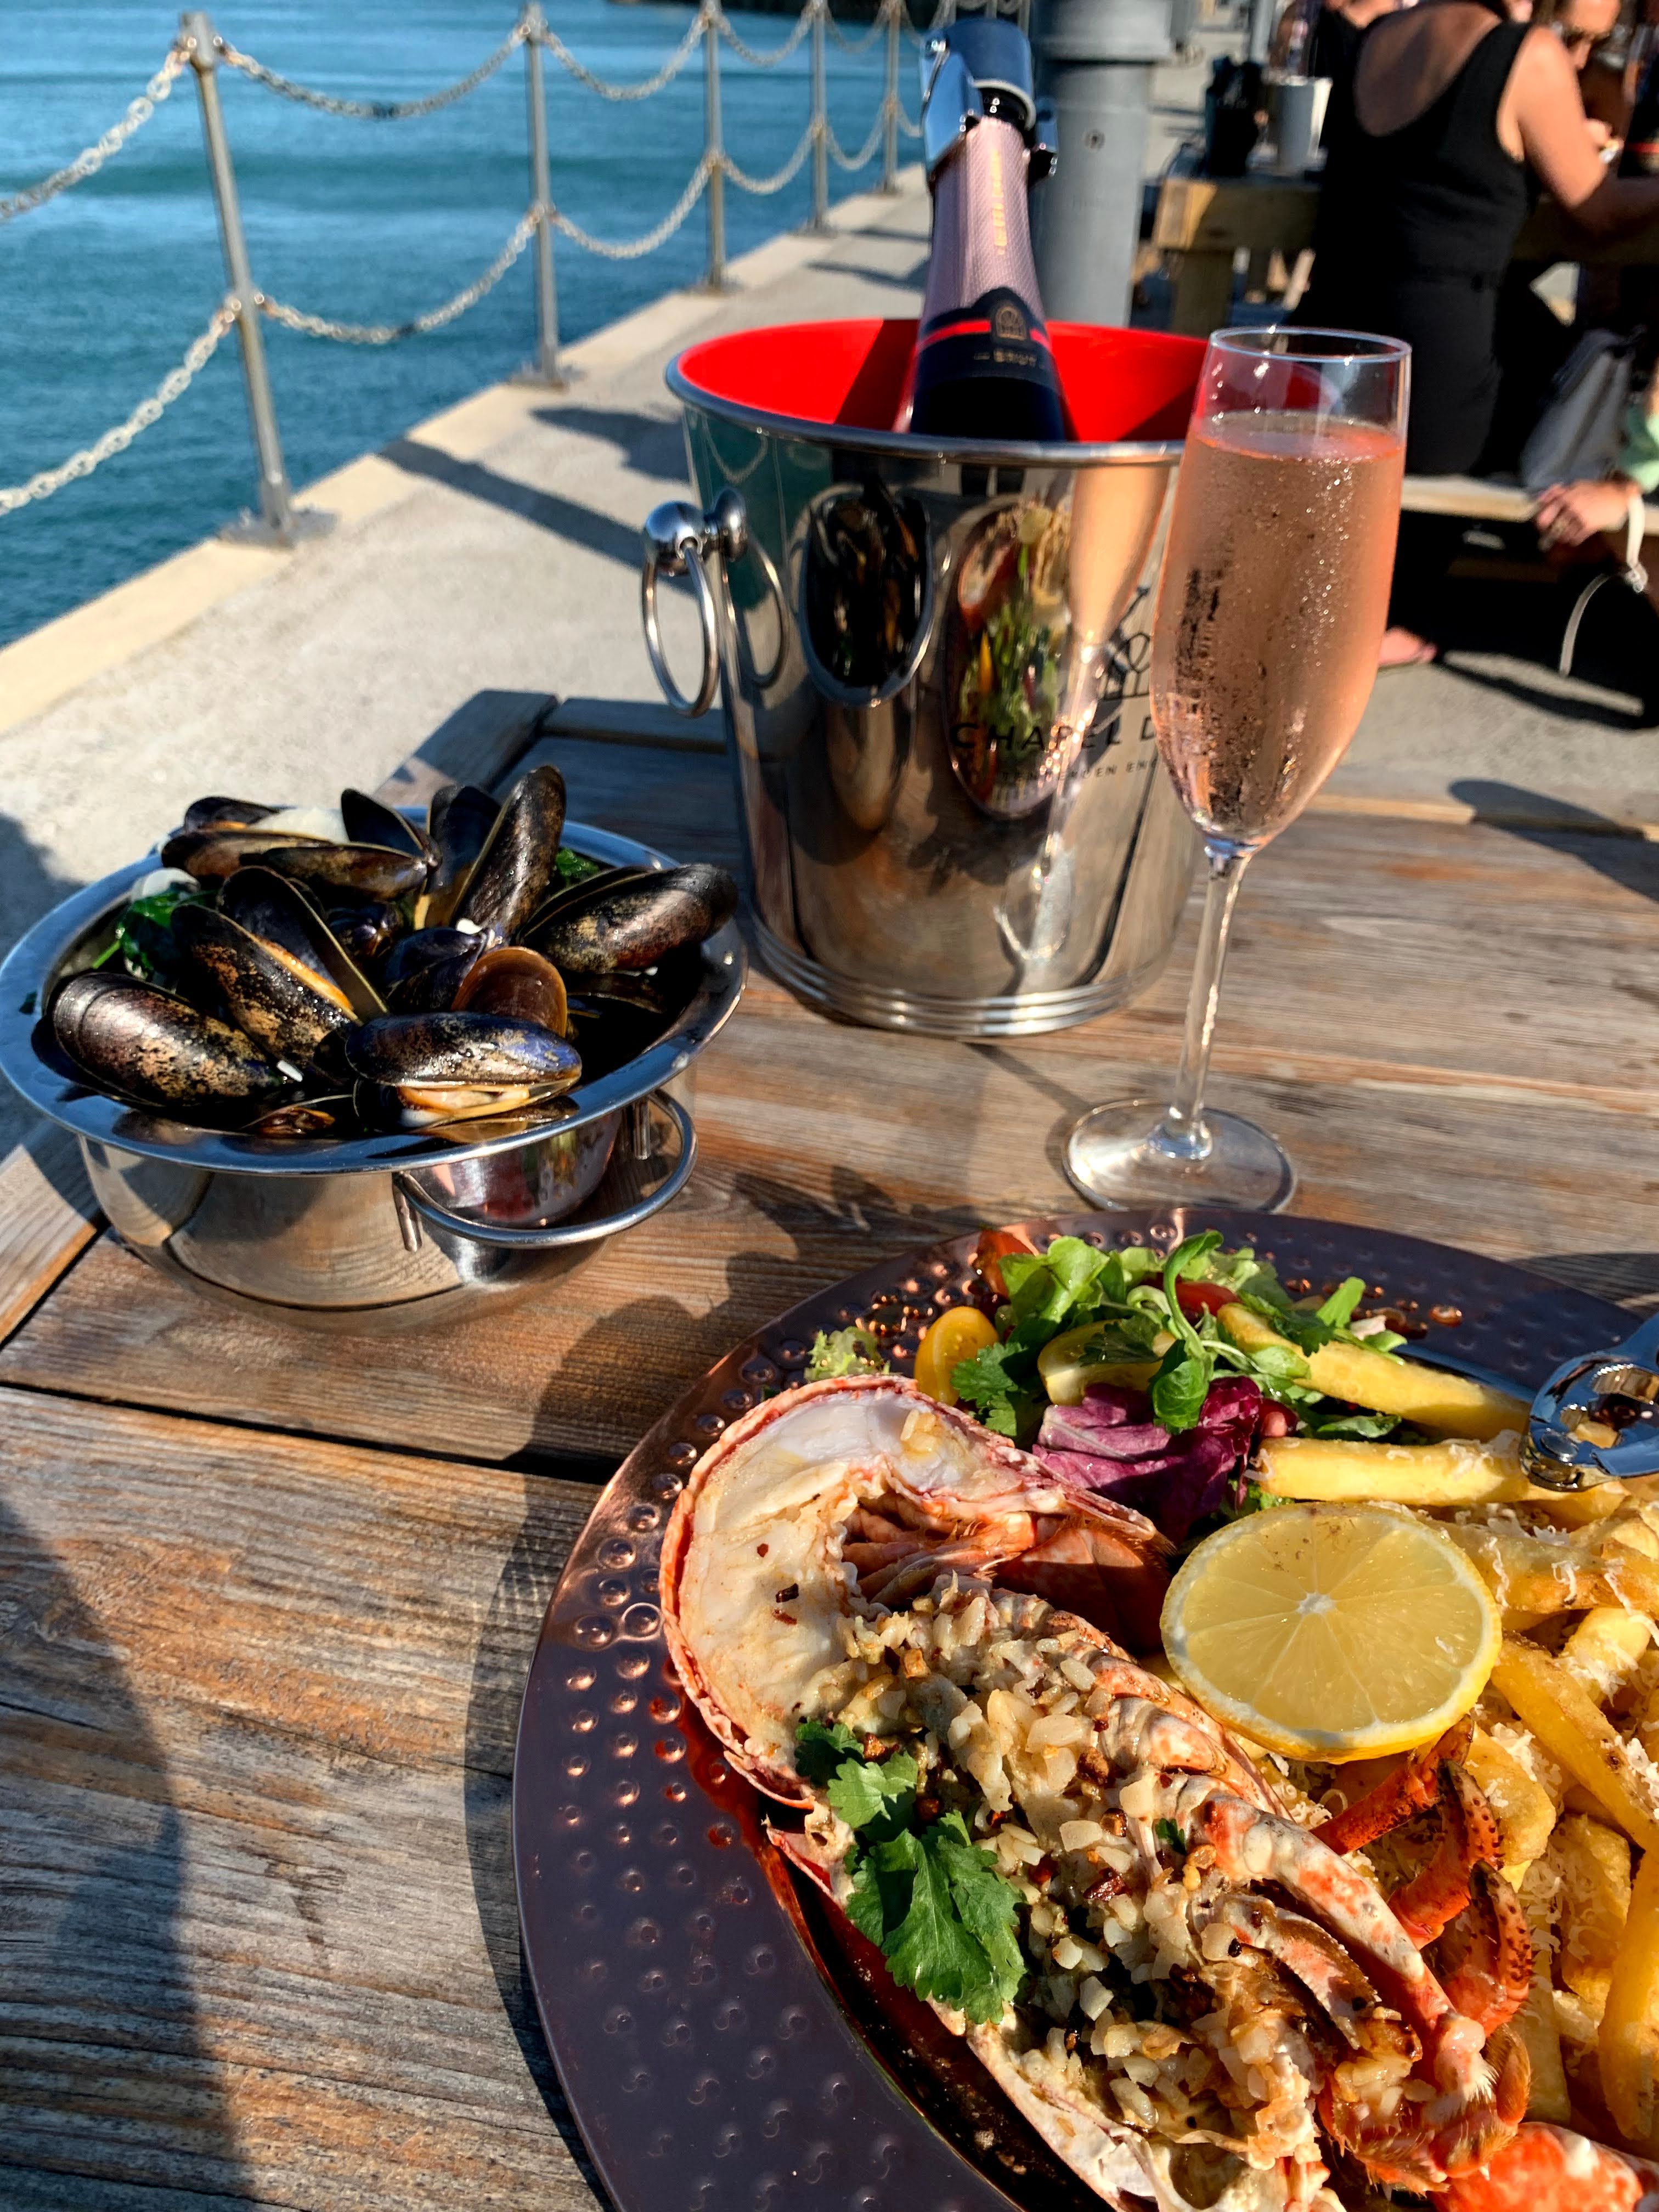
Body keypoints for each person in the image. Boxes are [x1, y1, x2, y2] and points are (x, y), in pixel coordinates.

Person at [1300, 0, 1659, 662]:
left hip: (1326, 357)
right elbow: (1600, 213)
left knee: (1522, 335)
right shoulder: (1527, 56)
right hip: (1425, 398)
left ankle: (1370, 604)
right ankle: (1388, 618)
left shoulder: (1379, 34)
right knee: (1575, 385)